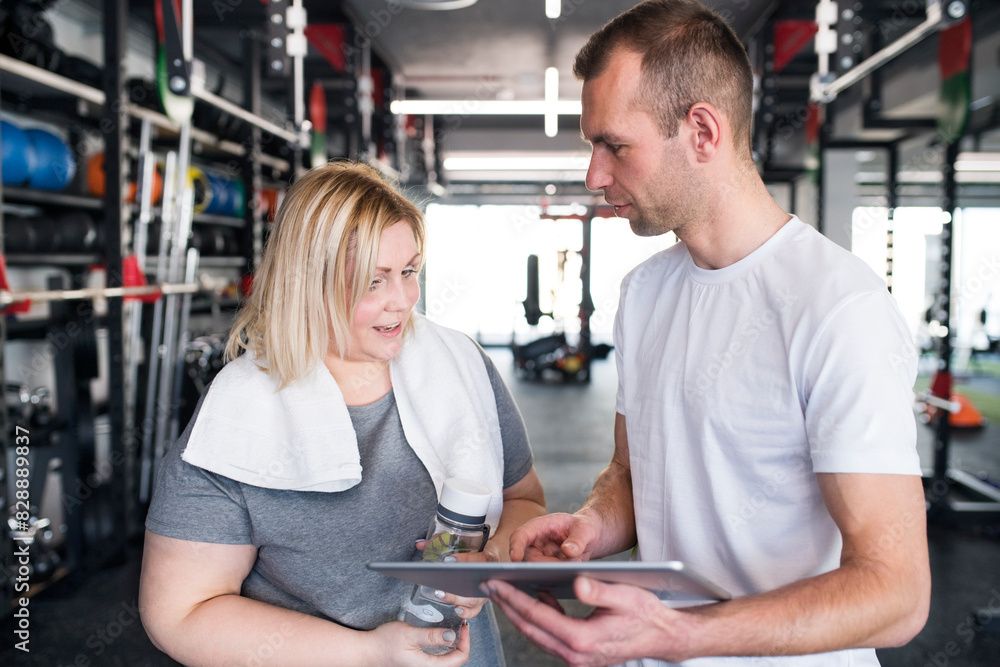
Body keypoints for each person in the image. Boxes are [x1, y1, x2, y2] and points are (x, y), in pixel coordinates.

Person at [483, 1, 930, 666]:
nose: (595, 176)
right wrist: (592, 526)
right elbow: (634, 473)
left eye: (615, 145)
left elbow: (897, 592)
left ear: (701, 131)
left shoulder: (838, 309)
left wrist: (685, 634)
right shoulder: (645, 294)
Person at [139, 162, 546, 666]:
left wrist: (490, 561)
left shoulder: (460, 366)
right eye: (373, 282)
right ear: (308, 282)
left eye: (409, 271)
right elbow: (180, 613)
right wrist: (368, 652)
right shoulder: (239, 414)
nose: (402, 301)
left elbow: (524, 500)